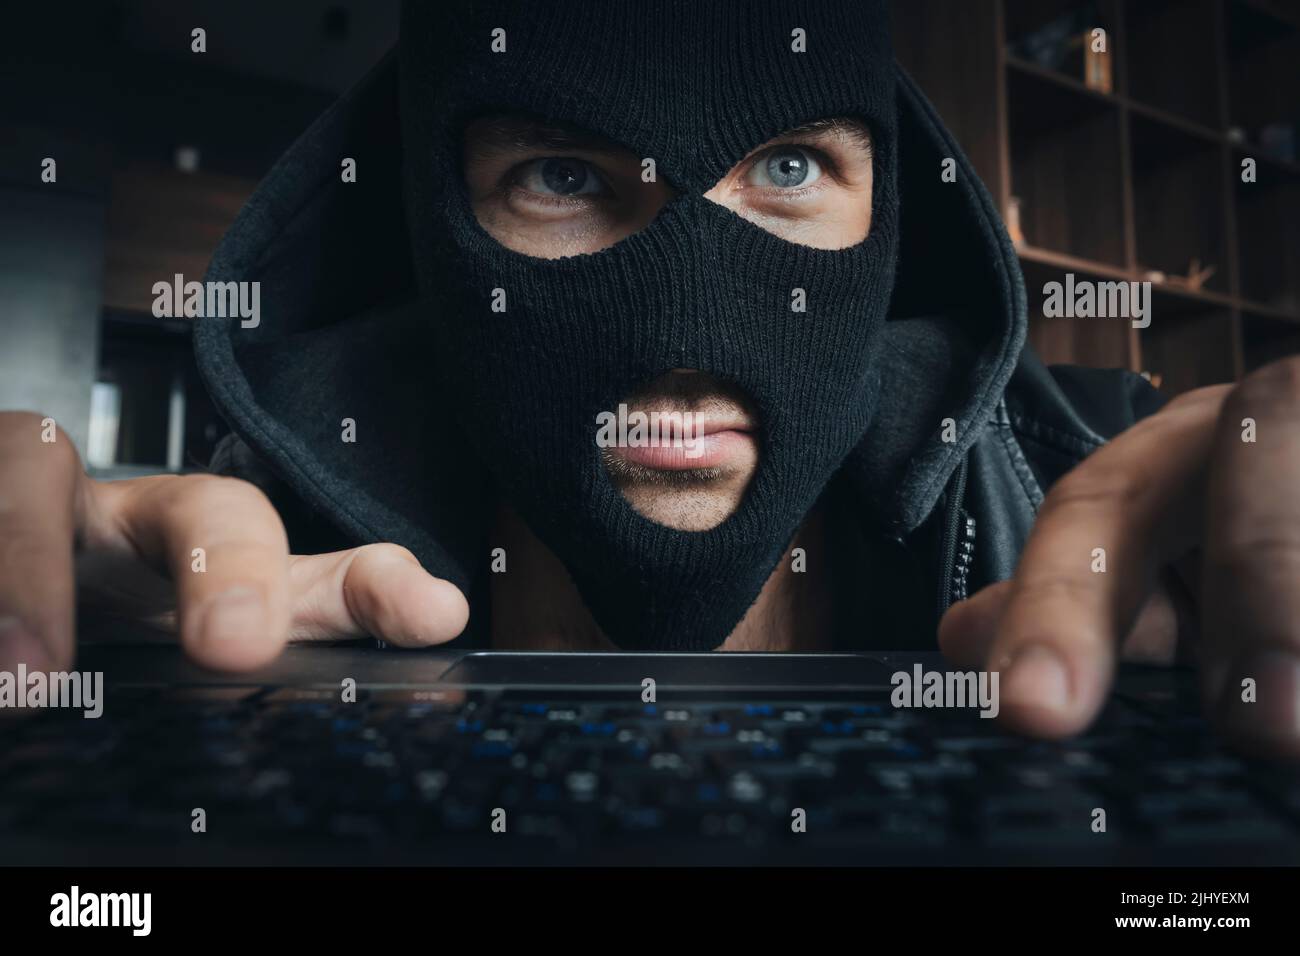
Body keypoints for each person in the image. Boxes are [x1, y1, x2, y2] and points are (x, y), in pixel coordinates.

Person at [1, 0, 1296, 759]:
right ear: (435, 229)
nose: (685, 317)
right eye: (561, 177)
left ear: (889, 216)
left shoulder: (1093, 476)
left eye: (788, 168)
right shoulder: (255, 552)